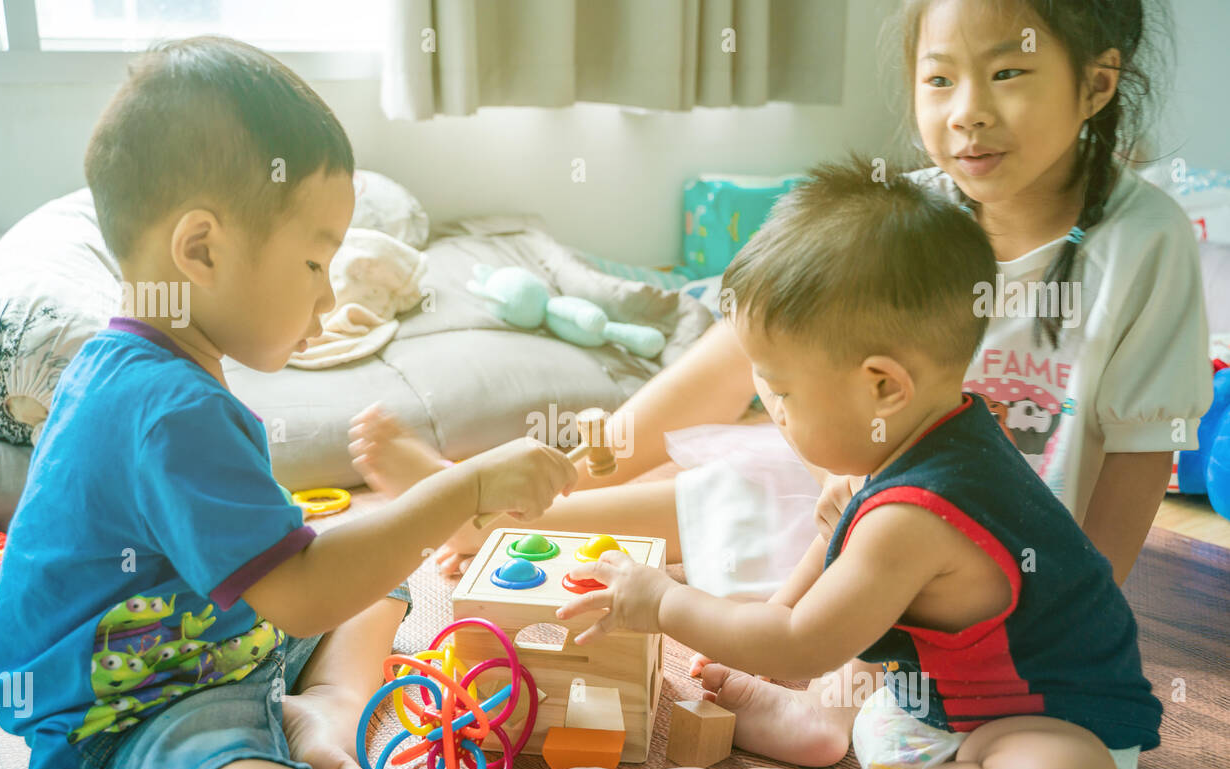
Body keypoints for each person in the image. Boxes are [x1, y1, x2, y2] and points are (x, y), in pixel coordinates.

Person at [0, 36, 758, 769]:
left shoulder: (150, 366)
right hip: (131, 714)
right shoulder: (160, 407)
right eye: (315, 261)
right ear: (200, 249)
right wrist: (462, 488)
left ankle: (331, 709)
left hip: (217, 640)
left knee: (370, 558)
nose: (326, 293)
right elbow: (303, 592)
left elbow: (304, 575)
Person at [352, 0, 1209, 604]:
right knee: (758, 399)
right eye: (940, 80)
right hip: (858, 482)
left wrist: (1085, 604)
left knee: (746, 491)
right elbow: (770, 369)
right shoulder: (909, 211)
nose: (968, 114)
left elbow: (1141, 449)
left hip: (983, 557)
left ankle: (493, 514)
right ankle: (524, 497)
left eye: (1009, 73)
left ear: (1097, 86)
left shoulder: (1145, 241)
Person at [556, 157, 1163, 769]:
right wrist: (768, 653)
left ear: (882, 387)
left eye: (779, 392)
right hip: (926, 701)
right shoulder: (949, 430)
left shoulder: (915, 516)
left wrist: (663, 600)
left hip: (1034, 724)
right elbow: (837, 568)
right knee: (864, 625)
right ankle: (812, 713)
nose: (771, 413)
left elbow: (800, 640)